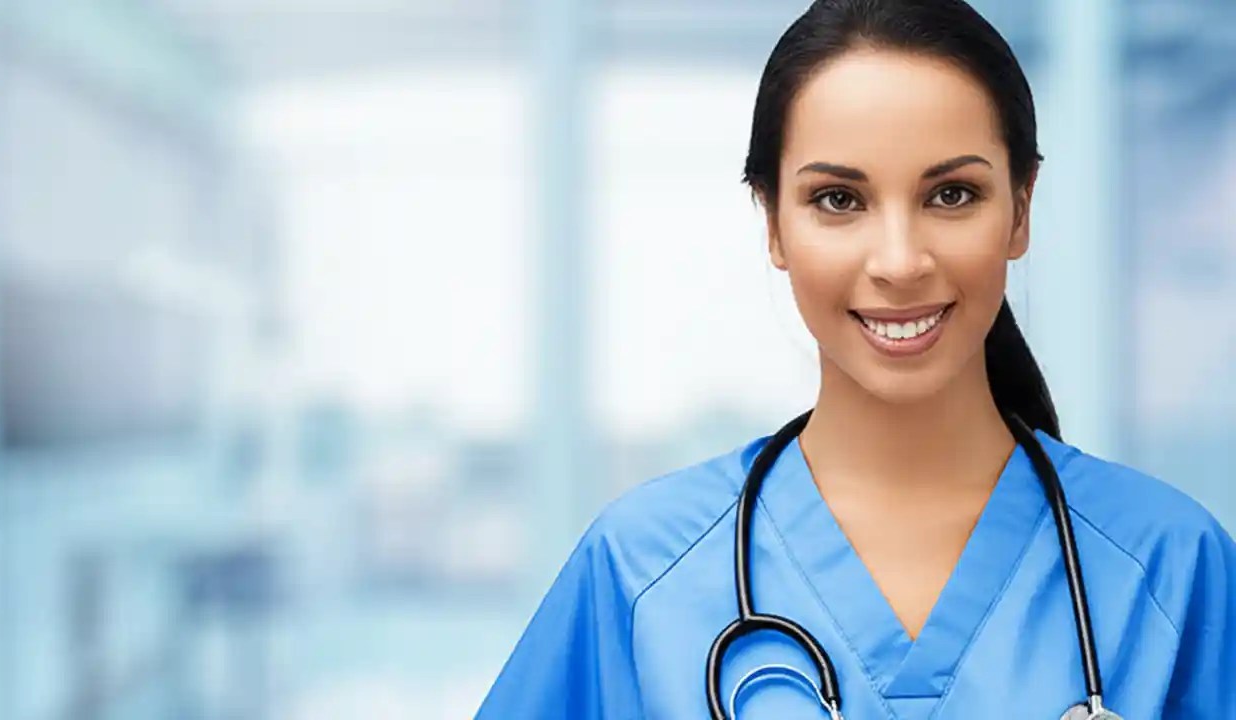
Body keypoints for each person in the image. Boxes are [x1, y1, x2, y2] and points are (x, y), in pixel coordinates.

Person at [476, 0, 1236, 717]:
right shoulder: (640, 573)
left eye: (953, 195)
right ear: (773, 223)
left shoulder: (1172, 568)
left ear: (1022, 210)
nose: (900, 261)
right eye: (839, 200)